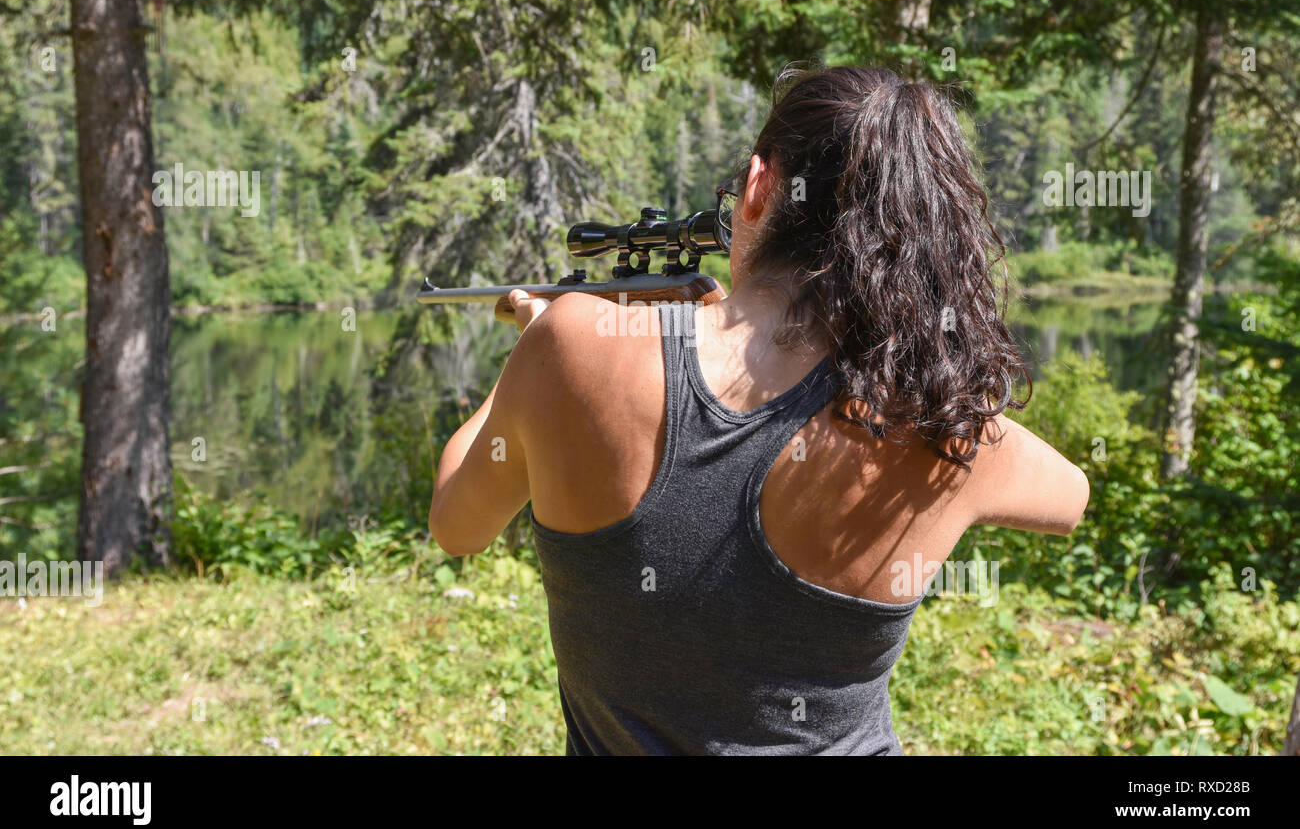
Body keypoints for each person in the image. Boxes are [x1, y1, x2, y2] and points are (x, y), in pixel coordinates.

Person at [428, 64, 1090, 755]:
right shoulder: (938, 426)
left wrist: (530, 348)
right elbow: (1071, 496)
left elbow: (457, 525)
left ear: (755, 188)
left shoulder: (565, 343)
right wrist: (943, 387)